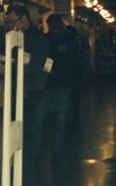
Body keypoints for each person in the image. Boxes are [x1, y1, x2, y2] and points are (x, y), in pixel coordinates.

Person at [5, 5, 51, 165]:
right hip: (18, 89)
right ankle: (20, 159)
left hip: (34, 90)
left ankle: (32, 161)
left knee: (33, 127)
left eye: (13, 21)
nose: (11, 26)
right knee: (19, 126)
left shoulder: (39, 39)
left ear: (24, 18)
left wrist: (11, 67)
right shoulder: (12, 37)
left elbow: (39, 66)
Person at [34, 14, 82, 158]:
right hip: (51, 83)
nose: (52, 28)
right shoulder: (49, 39)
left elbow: (71, 61)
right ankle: (44, 149)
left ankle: (54, 149)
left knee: (55, 119)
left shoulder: (66, 39)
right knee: (47, 119)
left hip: (59, 83)